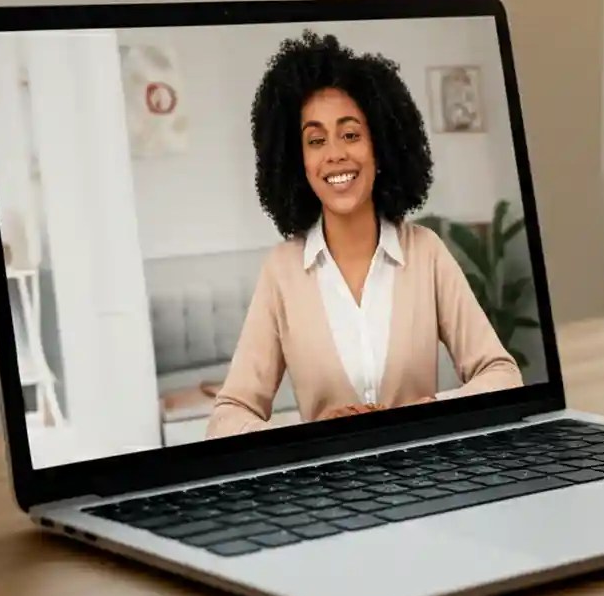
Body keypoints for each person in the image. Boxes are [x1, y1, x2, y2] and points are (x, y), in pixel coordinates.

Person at [206, 31, 523, 438]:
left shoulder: (425, 252)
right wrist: (310, 433)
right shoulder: (282, 271)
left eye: (351, 134)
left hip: (426, 471)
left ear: (381, 146)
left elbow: (501, 374)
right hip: (328, 489)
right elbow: (228, 416)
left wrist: (428, 411)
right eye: (316, 140)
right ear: (297, 161)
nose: (335, 153)